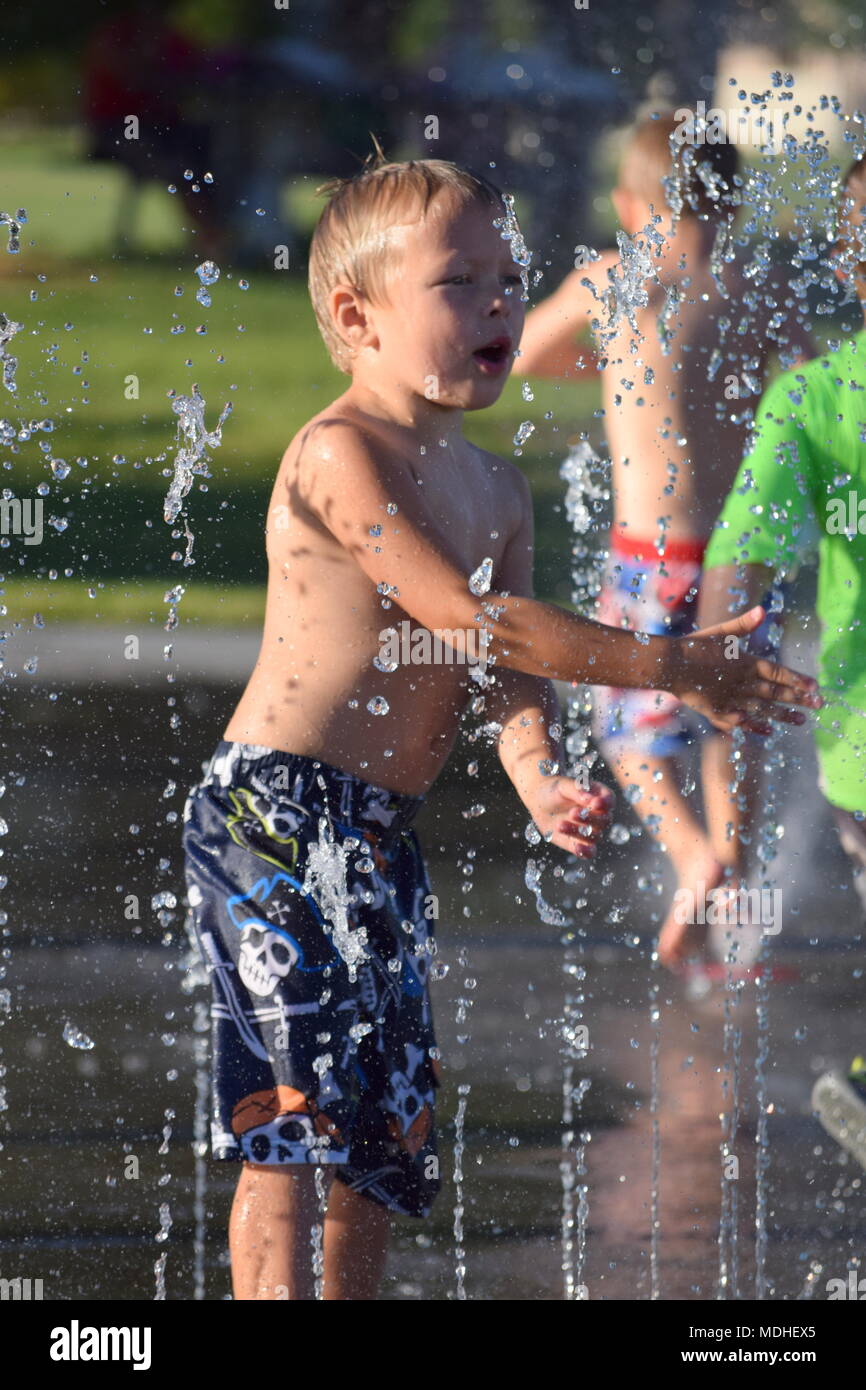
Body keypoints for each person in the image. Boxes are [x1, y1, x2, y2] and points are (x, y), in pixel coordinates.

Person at [180, 152, 821, 1301]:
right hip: (270, 816)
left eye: (507, 278)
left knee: (381, 1140)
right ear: (353, 317)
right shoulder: (340, 453)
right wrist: (672, 666)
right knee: (293, 1117)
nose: (497, 302)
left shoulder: (498, 489)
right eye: (458, 281)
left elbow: (499, 677)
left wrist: (530, 766)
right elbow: (473, 620)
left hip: (377, 832)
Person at [518, 110, 815, 969]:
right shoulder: (755, 288)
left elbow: (528, 353)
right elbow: (806, 387)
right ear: (733, 202)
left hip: (654, 555)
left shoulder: (612, 280)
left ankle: (691, 855)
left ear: (627, 201)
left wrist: (606, 363)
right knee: (735, 726)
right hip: (741, 557)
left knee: (626, 726)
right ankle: (740, 921)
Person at [700, 153, 866, 1163]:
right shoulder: (808, 399)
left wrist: (722, 662)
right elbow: (736, 571)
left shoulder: (811, 396)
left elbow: (738, 569)